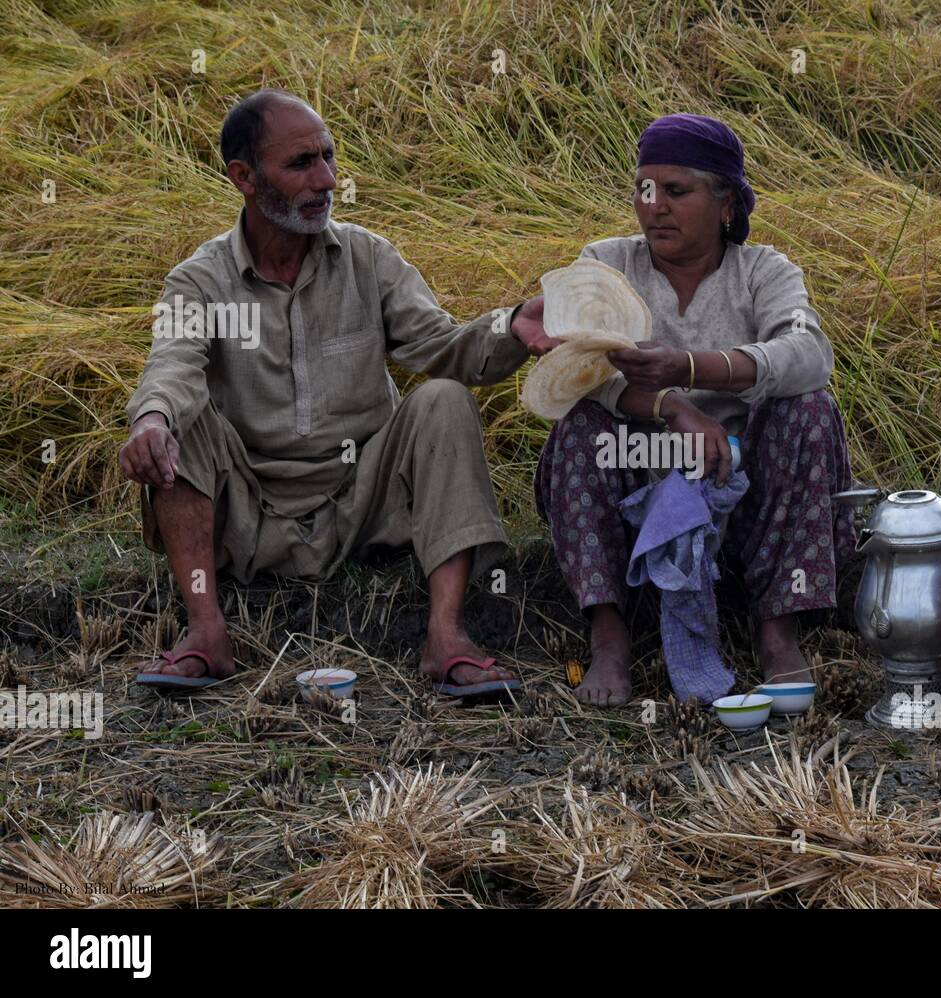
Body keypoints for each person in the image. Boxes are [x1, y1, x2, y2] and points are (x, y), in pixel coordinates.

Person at [120, 89, 558, 696]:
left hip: (362, 500)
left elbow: (443, 347)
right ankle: (206, 632)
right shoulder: (200, 279)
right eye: (301, 163)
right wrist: (151, 422)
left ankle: (447, 635)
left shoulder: (368, 257)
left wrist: (510, 326)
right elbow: (173, 367)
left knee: (444, 399)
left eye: (328, 157)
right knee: (176, 421)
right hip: (250, 510)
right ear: (244, 177)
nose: (326, 179)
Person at [534, 113, 856, 707]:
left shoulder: (764, 271)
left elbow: (809, 353)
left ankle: (776, 631)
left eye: (676, 191)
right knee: (579, 422)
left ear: (726, 203)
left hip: (743, 492)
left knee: (809, 409)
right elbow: (577, 369)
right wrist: (671, 405)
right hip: (642, 480)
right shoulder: (607, 264)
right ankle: (609, 636)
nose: (654, 206)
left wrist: (689, 366)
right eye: (644, 189)